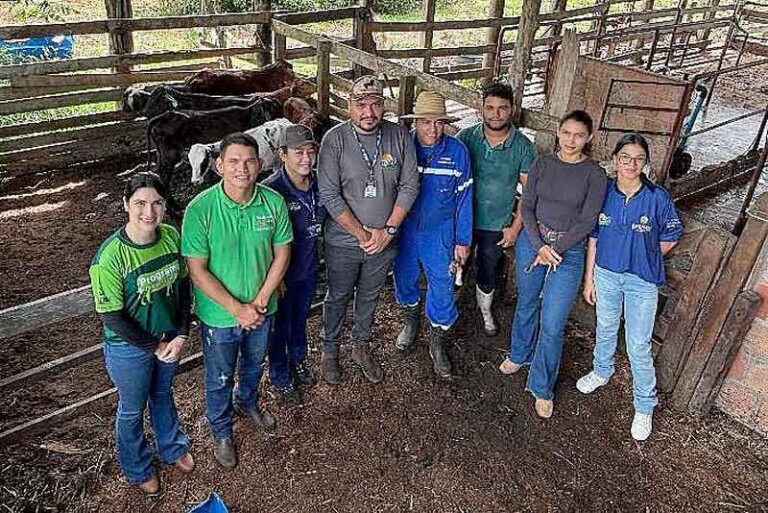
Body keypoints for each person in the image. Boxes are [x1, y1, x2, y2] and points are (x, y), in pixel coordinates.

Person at [181, 132, 293, 469]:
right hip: (219, 315)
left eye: (248, 161)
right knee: (218, 374)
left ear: (260, 165)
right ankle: (221, 430)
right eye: (233, 161)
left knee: (252, 364)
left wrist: (259, 302)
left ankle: (247, 402)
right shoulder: (200, 208)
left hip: (262, 311)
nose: (241, 168)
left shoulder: (272, 202)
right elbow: (196, 269)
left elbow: (282, 251)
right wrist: (237, 309)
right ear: (218, 166)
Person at [89, 171, 193, 494]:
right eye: (140, 203)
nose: (149, 212)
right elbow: (111, 315)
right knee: (132, 409)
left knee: (163, 394)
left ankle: (172, 447)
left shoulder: (173, 237)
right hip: (129, 347)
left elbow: (184, 285)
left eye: (157, 203)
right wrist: (155, 345)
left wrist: (182, 332)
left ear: (164, 206)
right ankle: (137, 467)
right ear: (125, 205)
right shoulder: (110, 258)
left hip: (168, 338)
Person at [501, 110, 607, 419]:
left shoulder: (594, 173)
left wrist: (554, 249)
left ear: (588, 138)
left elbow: (588, 219)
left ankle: (542, 385)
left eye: (578, 135)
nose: (571, 140)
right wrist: (538, 245)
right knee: (527, 302)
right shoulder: (542, 163)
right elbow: (528, 206)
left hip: (569, 252)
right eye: (566, 133)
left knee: (553, 321)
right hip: (533, 241)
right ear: (558, 132)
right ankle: (519, 354)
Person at [577, 133, 682, 441]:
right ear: (616, 160)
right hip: (606, 274)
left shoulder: (657, 197)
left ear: (646, 162)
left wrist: (648, 255)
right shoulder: (604, 193)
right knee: (606, 326)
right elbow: (593, 237)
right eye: (625, 157)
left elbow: (672, 233)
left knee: (638, 343)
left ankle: (644, 405)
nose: (631, 164)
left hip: (641, 281)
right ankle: (601, 370)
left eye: (638, 158)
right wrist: (589, 279)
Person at [318, 75, 420, 385]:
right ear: (349, 106)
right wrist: (363, 236)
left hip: (385, 240)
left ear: (383, 106)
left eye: (375, 104)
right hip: (343, 241)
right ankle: (330, 350)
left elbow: (409, 184)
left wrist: (388, 231)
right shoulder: (334, 140)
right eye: (361, 105)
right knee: (337, 295)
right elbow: (329, 193)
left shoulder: (399, 136)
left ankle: (361, 346)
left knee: (369, 296)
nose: (369, 112)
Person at [393, 90, 473, 378]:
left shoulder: (457, 152)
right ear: (415, 122)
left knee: (442, 282)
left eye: (439, 123)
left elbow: (465, 199)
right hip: (405, 227)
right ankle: (411, 321)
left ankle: (437, 341)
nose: (432, 129)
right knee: (404, 276)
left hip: (440, 231)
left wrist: (462, 240)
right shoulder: (402, 146)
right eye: (426, 122)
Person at [456, 81, 536, 336]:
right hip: (463, 218)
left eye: (502, 108)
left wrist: (514, 228)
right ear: (481, 109)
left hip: (497, 223)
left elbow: (529, 193)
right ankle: (449, 307)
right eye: (489, 108)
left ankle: (485, 311)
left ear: (511, 109)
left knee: (488, 266)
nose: (495, 114)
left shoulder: (523, 146)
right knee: (456, 262)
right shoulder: (466, 138)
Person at [263, 124, 325, 405]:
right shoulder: (270, 192)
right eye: (298, 152)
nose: (305, 159)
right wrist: (272, 281)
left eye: (310, 151)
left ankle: (299, 360)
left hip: (308, 269)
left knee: (299, 320)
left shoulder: (322, 182)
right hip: (281, 277)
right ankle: (279, 375)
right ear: (282, 154)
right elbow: (260, 241)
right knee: (279, 325)